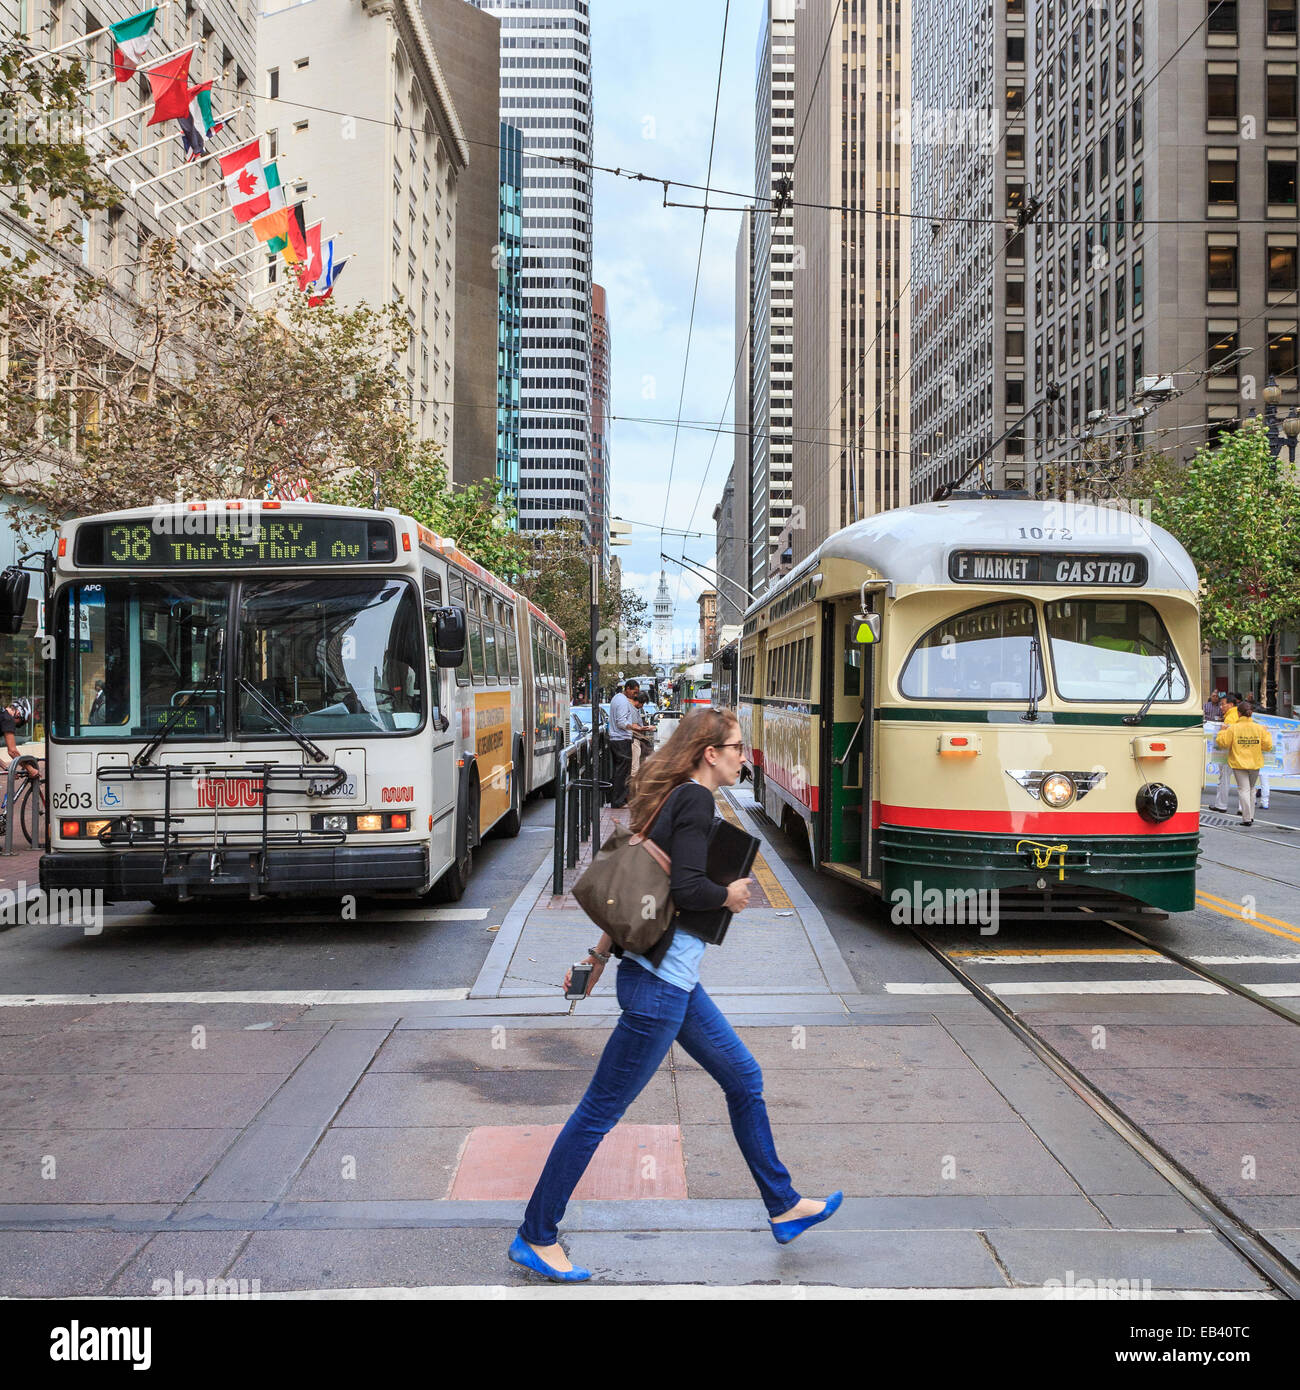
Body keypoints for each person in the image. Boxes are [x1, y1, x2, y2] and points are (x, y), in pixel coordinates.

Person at [508, 708, 842, 1283]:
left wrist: (596, 958)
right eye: (737, 747)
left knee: (744, 1079)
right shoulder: (693, 801)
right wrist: (732, 894)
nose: (745, 755)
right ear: (710, 752)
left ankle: (782, 1205)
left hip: (670, 983)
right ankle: (536, 1236)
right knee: (597, 1115)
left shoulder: (674, 799)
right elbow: (686, 890)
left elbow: (638, 889)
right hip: (659, 991)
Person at [1216, 700, 1273, 827]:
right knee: (1252, 789)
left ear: (1239, 713)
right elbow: (1268, 746)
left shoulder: (1234, 728)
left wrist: (1222, 731)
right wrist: (1267, 732)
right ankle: (1250, 816)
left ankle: (1247, 818)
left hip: (1238, 763)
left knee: (1244, 789)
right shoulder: (1259, 728)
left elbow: (1223, 743)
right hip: (1255, 763)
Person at [607, 678, 640, 808]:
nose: (635, 695)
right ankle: (618, 801)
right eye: (634, 691)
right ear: (627, 688)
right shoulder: (621, 701)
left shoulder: (618, 699)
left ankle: (617, 799)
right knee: (622, 772)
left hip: (618, 739)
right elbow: (621, 722)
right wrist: (633, 727)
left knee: (620, 771)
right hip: (621, 740)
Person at [1211, 693, 1241, 812]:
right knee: (1243, 783)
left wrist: (1221, 733)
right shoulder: (1238, 715)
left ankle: (1221, 805)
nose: (1221, 707)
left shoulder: (1230, 718)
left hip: (1229, 752)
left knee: (1224, 779)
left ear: (1231, 704)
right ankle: (1243, 808)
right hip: (1241, 752)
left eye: (1223, 704)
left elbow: (1226, 739)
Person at [0, 697, 37, 781]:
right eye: (20, 723)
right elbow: (12, 752)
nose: (16, 726)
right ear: (18, 714)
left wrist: (7, 769)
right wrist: (30, 769)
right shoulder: (8, 719)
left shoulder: (2, 715)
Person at [629, 691, 655, 777]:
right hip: (634, 739)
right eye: (642, 703)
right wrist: (646, 728)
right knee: (635, 766)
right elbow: (634, 726)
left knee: (637, 763)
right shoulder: (632, 710)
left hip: (636, 739)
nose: (642, 706)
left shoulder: (634, 710)